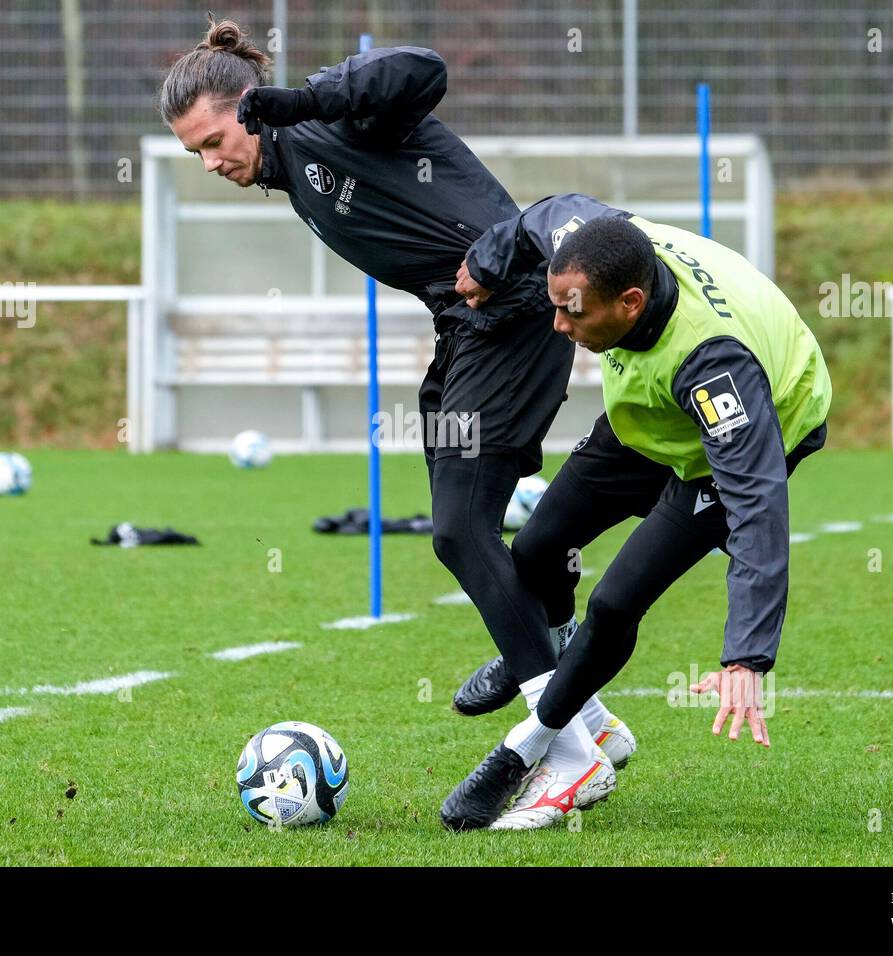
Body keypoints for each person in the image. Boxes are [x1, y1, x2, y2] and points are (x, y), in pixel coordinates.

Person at [157, 21, 636, 799]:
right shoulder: (285, 161)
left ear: (247, 104)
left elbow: (422, 68)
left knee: (458, 531)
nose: (210, 163)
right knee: (467, 531)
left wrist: (301, 98)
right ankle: (579, 709)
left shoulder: (326, 115)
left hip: (512, 316)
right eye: (195, 155)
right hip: (466, 333)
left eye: (212, 141)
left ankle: (567, 747)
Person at [440, 195, 832, 830]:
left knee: (616, 602)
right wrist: (490, 258)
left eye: (574, 311)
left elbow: (758, 503)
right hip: (650, 416)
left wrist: (746, 656)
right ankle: (585, 703)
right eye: (556, 302)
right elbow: (550, 213)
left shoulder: (715, 365)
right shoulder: (604, 244)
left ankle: (539, 752)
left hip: (750, 436)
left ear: (630, 304)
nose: (559, 325)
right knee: (538, 550)